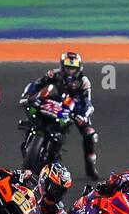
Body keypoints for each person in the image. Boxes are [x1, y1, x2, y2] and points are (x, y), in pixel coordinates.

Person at [20, 51, 99, 180]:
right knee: (32, 113)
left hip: (73, 109)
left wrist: (83, 115)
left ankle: (90, 166)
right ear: (62, 67)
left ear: (79, 68)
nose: (70, 72)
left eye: (73, 68)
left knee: (90, 134)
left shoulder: (84, 82)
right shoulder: (53, 74)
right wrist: (27, 96)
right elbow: (36, 85)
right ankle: (29, 138)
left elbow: (87, 103)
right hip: (52, 103)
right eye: (68, 68)